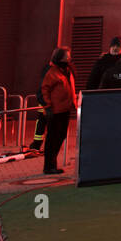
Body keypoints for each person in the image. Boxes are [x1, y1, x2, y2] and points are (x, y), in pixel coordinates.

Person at [40, 47, 78, 175]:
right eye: (67, 56)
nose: (69, 58)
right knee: (53, 138)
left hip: (64, 109)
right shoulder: (51, 71)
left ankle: (52, 164)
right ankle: (49, 166)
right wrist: (48, 107)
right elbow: (43, 90)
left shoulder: (66, 70)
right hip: (55, 110)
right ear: (59, 57)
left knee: (60, 136)